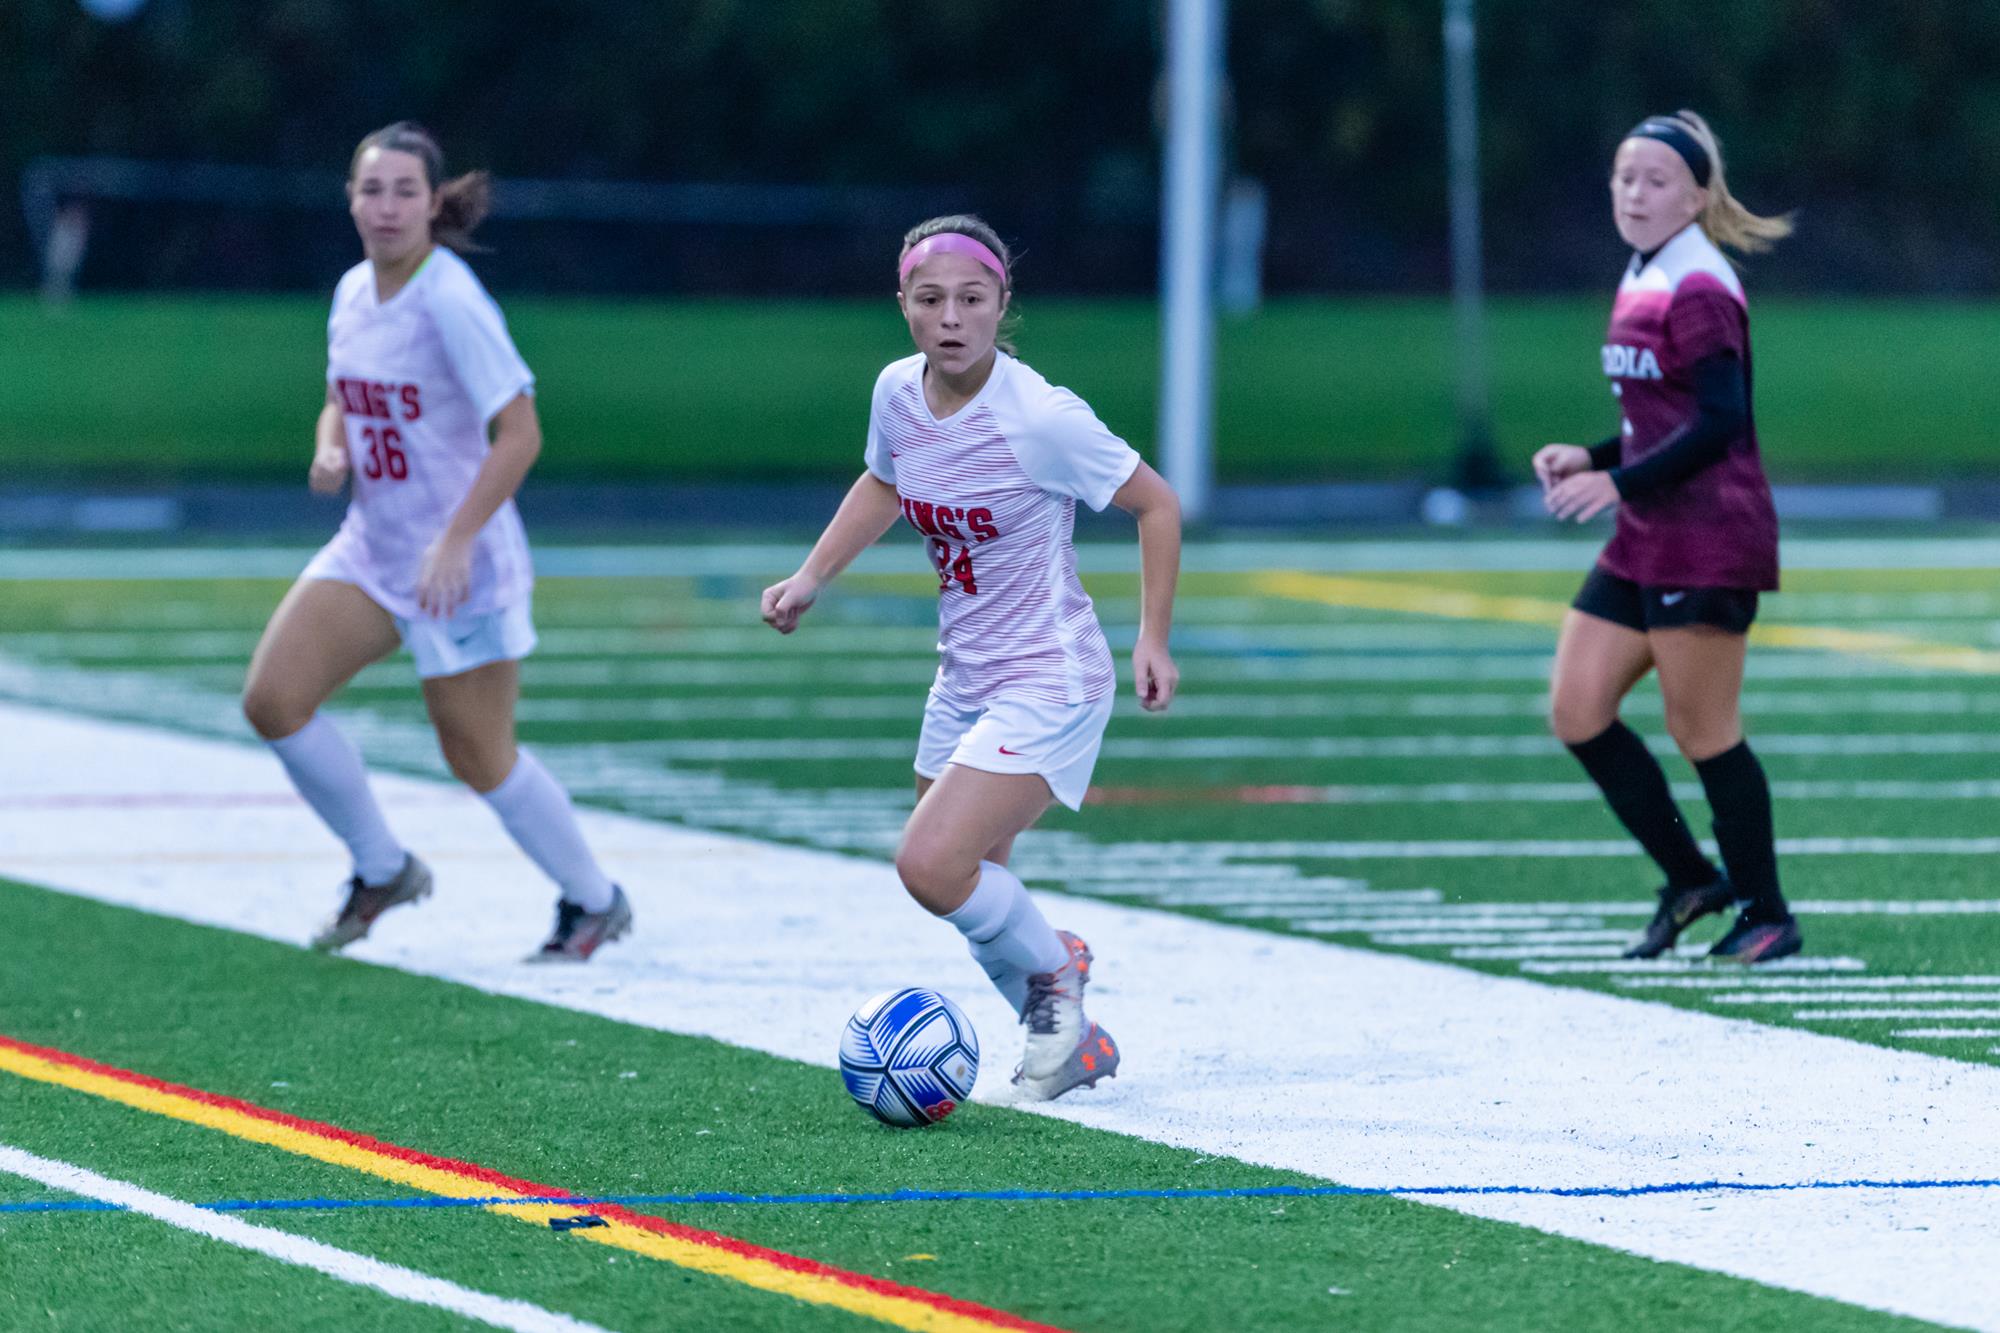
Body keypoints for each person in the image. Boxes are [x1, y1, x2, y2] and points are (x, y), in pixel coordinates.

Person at [761, 215, 1182, 1100]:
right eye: (931, 299)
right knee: (972, 878)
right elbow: (884, 480)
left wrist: (1152, 635)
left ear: (1001, 306)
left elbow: (1156, 504)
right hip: (965, 676)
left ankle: (1061, 992)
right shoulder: (896, 393)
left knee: (930, 865)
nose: (951, 317)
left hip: (1050, 677)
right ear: (905, 307)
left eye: (971, 299)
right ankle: (1062, 1028)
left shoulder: (1039, 417)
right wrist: (813, 575)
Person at [241, 122, 631, 963]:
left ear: (433, 203)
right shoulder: (353, 291)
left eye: (403, 192)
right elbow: (343, 394)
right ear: (349, 198)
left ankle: (595, 901)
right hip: (374, 549)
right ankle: (383, 868)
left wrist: (457, 539)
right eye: (370, 190)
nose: (385, 207)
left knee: (479, 757)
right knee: (273, 701)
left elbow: (520, 433)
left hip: (462, 567)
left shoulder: (451, 298)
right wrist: (329, 444)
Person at [1534, 110, 1800, 964]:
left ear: (1695, 195)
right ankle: (1692, 878)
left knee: (1703, 730)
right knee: (1577, 708)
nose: (1635, 192)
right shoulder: (1644, 269)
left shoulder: (1699, 284)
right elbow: (1663, 416)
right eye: (1624, 176)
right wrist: (1595, 452)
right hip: (1648, 530)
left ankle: (1767, 912)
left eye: (1654, 180)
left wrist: (1612, 481)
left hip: (1710, 537)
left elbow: (1722, 422)